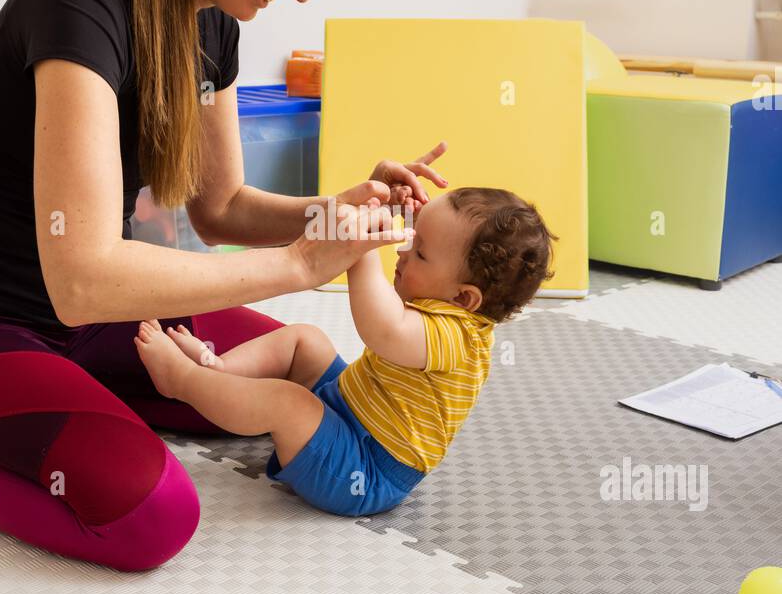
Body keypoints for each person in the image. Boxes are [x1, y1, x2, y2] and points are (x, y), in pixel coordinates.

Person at [0, 0, 446, 571]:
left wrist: (332, 215)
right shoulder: (78, 4)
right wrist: (301, 266)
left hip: (99, 319)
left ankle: (70, 395)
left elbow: (222, 207)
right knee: (151, 515)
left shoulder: (212, 24)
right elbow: (81, 277)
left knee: (292, 382)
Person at [133, 188, 557, 517]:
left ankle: (184, 382)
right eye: (412, 236)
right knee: (306, 339)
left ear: (465, 299)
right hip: (350, 411)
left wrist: (360, 253)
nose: (403, 251)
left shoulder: (457, 336)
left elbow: (382, 329)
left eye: (421, 253)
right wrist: (388, 209)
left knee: (290, 402)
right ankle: (218, 368)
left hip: (366, 469)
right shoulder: (445, 303)